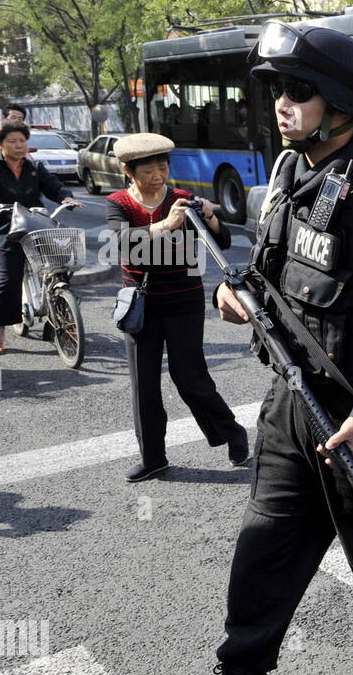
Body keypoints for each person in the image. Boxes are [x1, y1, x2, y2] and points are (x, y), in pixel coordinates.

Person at [146, 21, 353, 675]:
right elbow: (271, 272)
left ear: (341, 104)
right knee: (264, 548)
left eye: (300, 92)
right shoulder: (285, 177)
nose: (283, 103)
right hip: (290, 403)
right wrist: (239, 295)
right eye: (279, 89)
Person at [106, 133, 248, 482]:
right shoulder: (119, 203)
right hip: (141, 304)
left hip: (184, 301)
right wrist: (166, 225)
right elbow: (123, 243)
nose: (158, 175)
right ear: (129, 170)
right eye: (149, 169)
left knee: (190, 377)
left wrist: (210, 217)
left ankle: (231, 432)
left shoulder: (182, 198)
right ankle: (153, 457)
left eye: (163, 166)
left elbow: (223, 241)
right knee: (144, 386)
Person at [0, 120, 84, 356]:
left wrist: (66, 198)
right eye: (12, 141)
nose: (19, 145)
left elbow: (54, 187)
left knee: (59, 268)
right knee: (9, 280)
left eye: (22, 140)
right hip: (3, 227)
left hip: (34, 223)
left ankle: (58, 317)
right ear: (0, 144)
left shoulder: (34, 167)